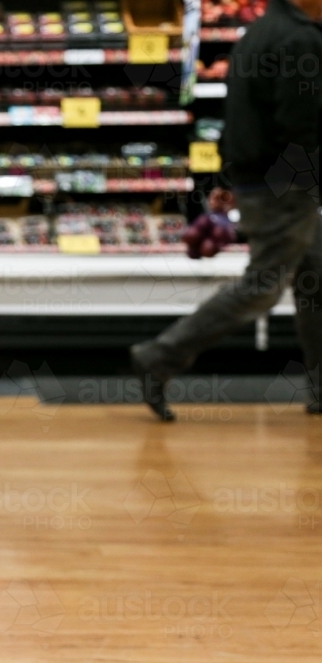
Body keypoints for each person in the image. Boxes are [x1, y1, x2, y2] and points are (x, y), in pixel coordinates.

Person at [131, 0, 322, 420]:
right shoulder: (300, 39)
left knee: (315, 281)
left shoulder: (256, 33)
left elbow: (237, 114)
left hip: (262, 179)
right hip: (286, 188)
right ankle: (159, 356)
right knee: (262, 287)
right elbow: (301, 125)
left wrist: (227, 178)